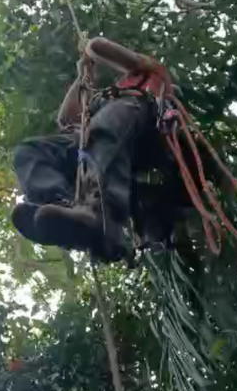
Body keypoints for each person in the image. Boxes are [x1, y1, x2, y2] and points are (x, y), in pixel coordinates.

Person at [11, 37, 172, 262]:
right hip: (92, 144)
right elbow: (66, 118)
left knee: (100, 131)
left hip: (140, 125)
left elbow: (98, 46)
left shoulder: (146, 76)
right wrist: (82, 77)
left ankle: (102, 216)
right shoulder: (102, 100)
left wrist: (89, 51)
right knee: (28, 151)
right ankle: (64, 205)